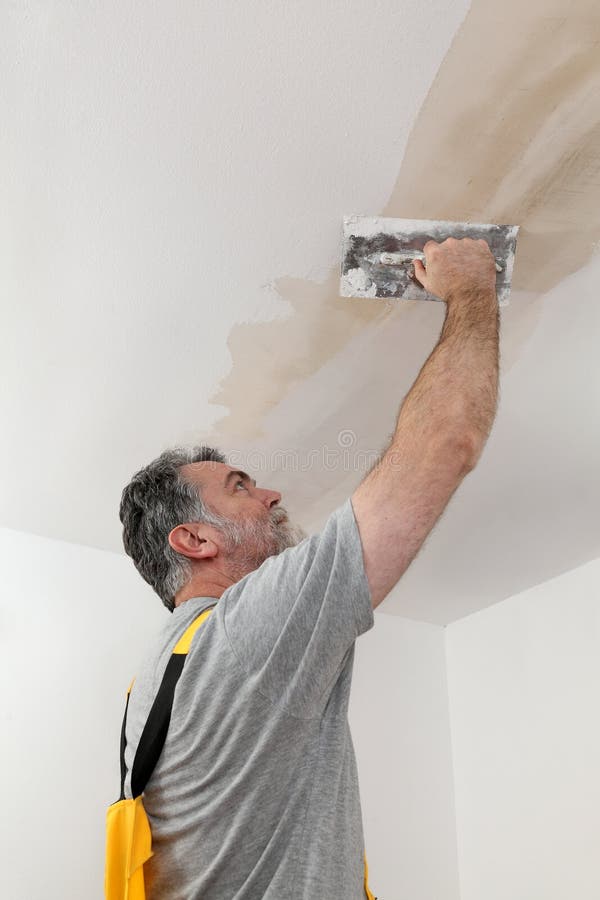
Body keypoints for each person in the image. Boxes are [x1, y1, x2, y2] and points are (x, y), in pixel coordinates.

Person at [118, 237, 499, 899]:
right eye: (241, 487)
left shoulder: (157, 680)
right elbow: (447, 442)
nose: (272, 495)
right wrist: (471, 290)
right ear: (194, 540)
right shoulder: (241, 633)